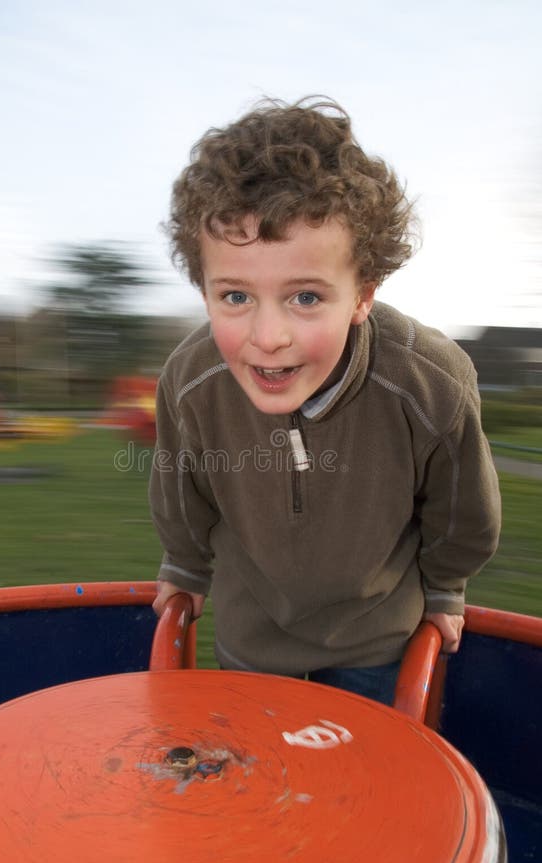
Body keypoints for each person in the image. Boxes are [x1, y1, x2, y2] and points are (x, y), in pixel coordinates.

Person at [148, 97, 501, 705]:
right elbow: (182, 490)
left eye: (305, 298)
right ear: (203, 289)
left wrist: (445, 590)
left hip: (377, 639)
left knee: (367, 789)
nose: (267, 337)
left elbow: (460, 509)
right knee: (262, 790)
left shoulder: (428, 384)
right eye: (235, 296)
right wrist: (184, 567)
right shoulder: (190, 383)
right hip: (252, 635)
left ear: (362, 293)